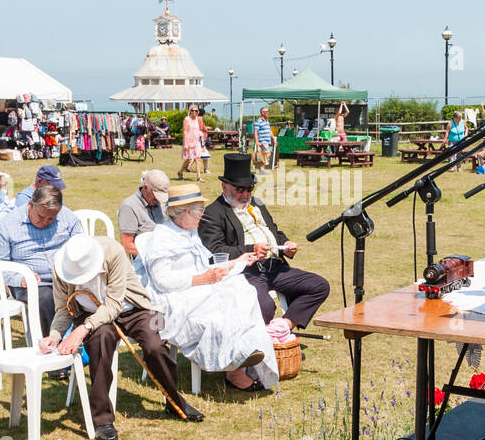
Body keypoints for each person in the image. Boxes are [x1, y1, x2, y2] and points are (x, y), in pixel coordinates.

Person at [41, 234, 205, 440]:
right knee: (100, 341)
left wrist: (82, 330)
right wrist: (55, 335)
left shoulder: (113, 252)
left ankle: (174, 401)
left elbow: (113, 305)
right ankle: (102, 420)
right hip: (91, 315)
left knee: (154, 346)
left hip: (130, 307)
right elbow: (63, 309)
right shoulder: (61, 266)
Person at [136, 184, 278, 391]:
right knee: (223, 304)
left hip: (196, 287)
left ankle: (244, 353)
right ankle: (234, 367)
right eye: (199, 211)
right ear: (185, 211)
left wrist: (237, 261)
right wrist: (202, 279)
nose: (202, 216)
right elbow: (162, 281)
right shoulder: (162, 237)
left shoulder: (188, 232)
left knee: (243, 290)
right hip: (172, 298)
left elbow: (205, 266)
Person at [199, 153, 329, 328]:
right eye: (240, 189)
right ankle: (259, 343)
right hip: (246, 271)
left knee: (318, 285)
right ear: (224, 186)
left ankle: (283, 327)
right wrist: (251, 249)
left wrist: (285, 245)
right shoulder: (213, 213)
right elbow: (215, 252)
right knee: (264, 306)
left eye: (249, 188)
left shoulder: (257, 204)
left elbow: (273, 230)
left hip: (274, 267)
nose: (245, 194)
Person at [0, 183, 80, 337]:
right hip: (32, 284)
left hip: (66, 279)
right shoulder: (9, 224)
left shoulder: (68, 218)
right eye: (40, 216)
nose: (45, 222)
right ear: (31, 204)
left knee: (87, 296)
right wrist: (21, 278)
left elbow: (81, 249)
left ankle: (83, 344)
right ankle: (52, 346)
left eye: (51, 219)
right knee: (46, 299)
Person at [118, 169, 169, 257]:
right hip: (147, 260)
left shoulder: (161, 201)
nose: (158, 199)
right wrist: (154, 256)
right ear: (145, 187)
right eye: (155, 196)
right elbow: (127, 246)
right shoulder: (129, 207)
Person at [179, 105, 205, 182]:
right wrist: (186, 144)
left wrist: (202, 139)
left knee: (198, 158)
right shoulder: (187, 119)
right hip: (189, 141)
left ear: (198, 112)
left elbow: (199, 130)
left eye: (196, 111)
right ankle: (180, 172)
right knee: (189, 159)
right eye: (192, 110)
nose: (194, 112)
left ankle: (199, 177)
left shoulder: (198, 119)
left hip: (196, 141)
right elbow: (185, 132)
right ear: (190, 111)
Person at [252, 106, 274, 172]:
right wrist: (257, 141)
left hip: (268, 141)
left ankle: (261, 168)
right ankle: (261, 168)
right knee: (268, 154)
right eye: (266, 111)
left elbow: (270, 131)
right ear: (262, 113)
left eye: (268, 111)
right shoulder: (258, 121)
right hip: (263, 141)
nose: (268, 113)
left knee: (265, 154)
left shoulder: (267, 121)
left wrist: (273, 138)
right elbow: (255, 132)